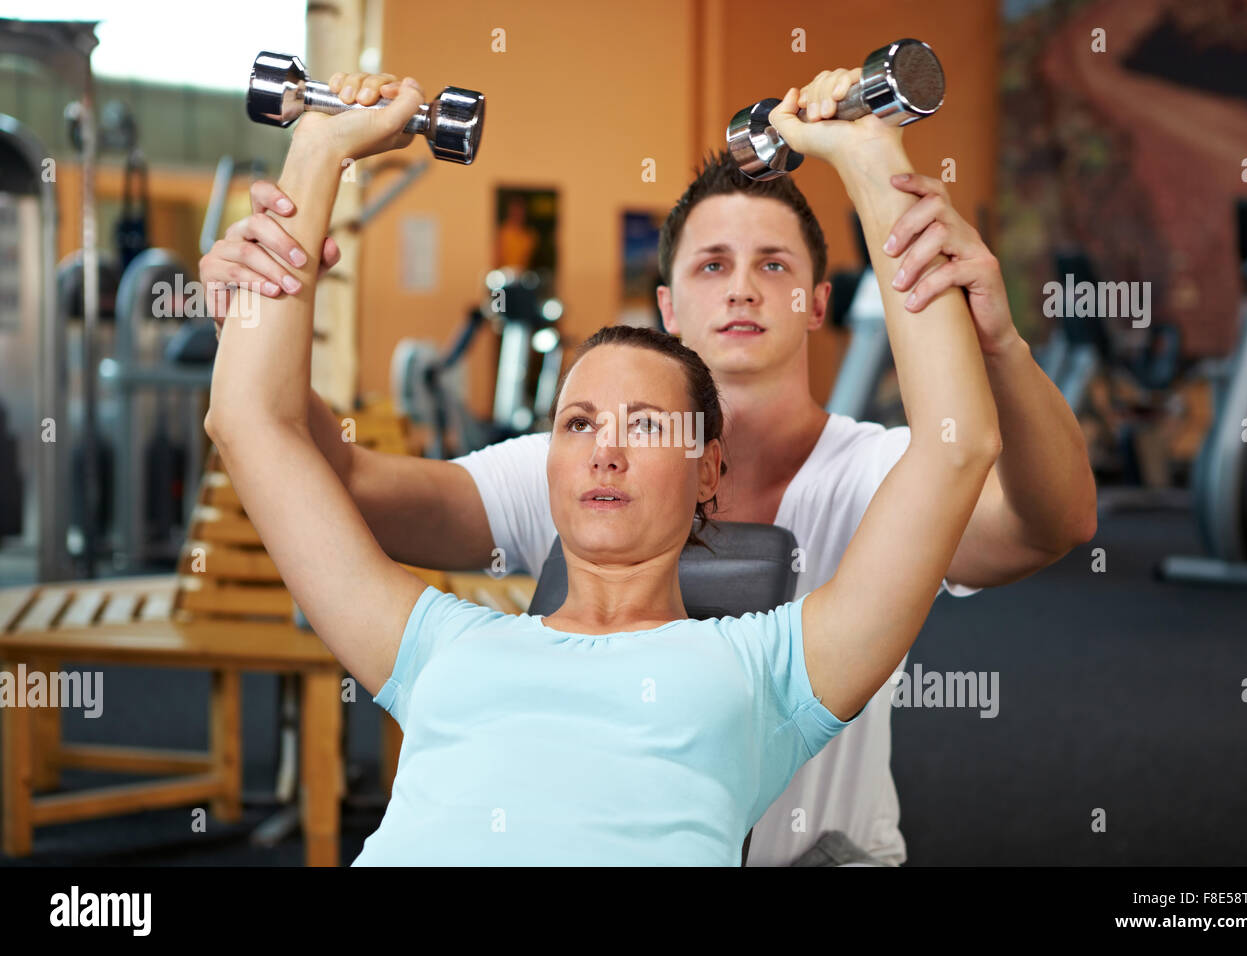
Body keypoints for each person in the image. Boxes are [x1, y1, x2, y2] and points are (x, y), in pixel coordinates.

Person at [201, 68, 1097, 865]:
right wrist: (314, 158)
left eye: (644, 426)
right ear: (544, 467)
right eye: (579, 423)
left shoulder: (765, 668)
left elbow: (963, 453)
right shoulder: (442, 645)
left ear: (709, 474)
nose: (606, 449)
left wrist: (872, 161)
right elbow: (258, 429)